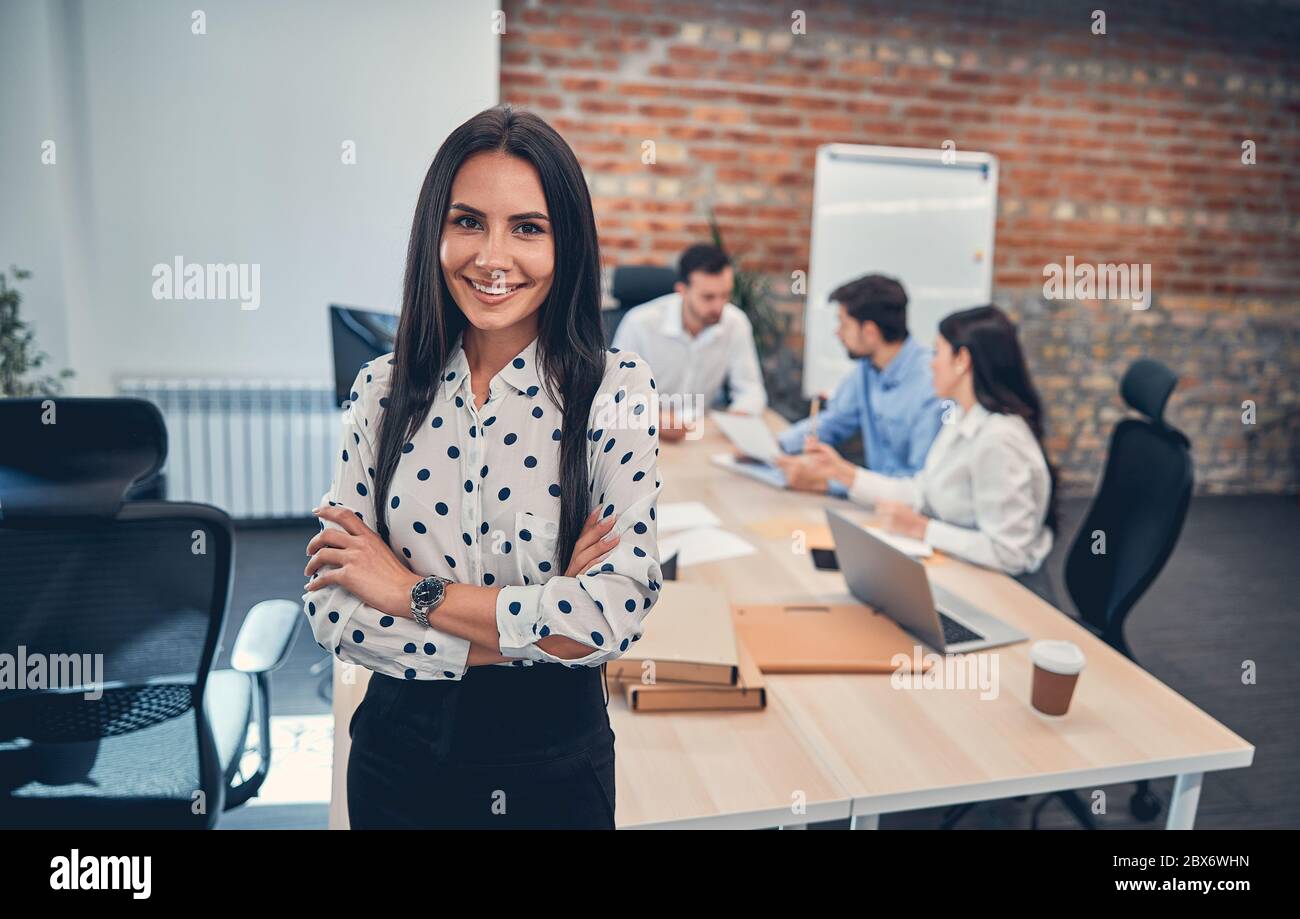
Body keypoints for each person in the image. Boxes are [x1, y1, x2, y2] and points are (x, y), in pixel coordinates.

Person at [301, 104, 663, 829]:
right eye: (468, 221)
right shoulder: (381, 390)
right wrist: (541, 628)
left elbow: (614, 611)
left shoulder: (615, 390)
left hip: (555, 763)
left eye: (527, 228)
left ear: (567, 245)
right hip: (397, 757)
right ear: (436, 231)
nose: (492, 257)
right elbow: (334, 608)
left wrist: (409, 590)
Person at [799, 304, 1056, 578]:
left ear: (962, 360)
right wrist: (843, 472)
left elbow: (1009, 554)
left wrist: (922, 529)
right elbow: (922, 492)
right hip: (963, 569)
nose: (931, 363)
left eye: (937, 352)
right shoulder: (959, 415)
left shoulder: (1000, 439)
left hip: (1008, 590)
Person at [774, 274, 944, 496]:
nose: (838, 333)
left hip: (904, 510)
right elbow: (834, 421)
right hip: (871, 502)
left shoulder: (932, 385)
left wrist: (828, 483)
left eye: (844, 324)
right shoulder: (867, 369)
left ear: (870, 332)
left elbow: (919, 486)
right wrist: (776, 448)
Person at [611, 244, 767, 441]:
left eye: (725, 295)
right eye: (708, 297)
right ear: (682, 291)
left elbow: (750, 389)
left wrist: (740, 416)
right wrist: (653, 419)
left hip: (704, 434)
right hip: (647, 436)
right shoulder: (640, 324)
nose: (719, 306)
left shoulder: (735, 323)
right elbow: (617, 396)